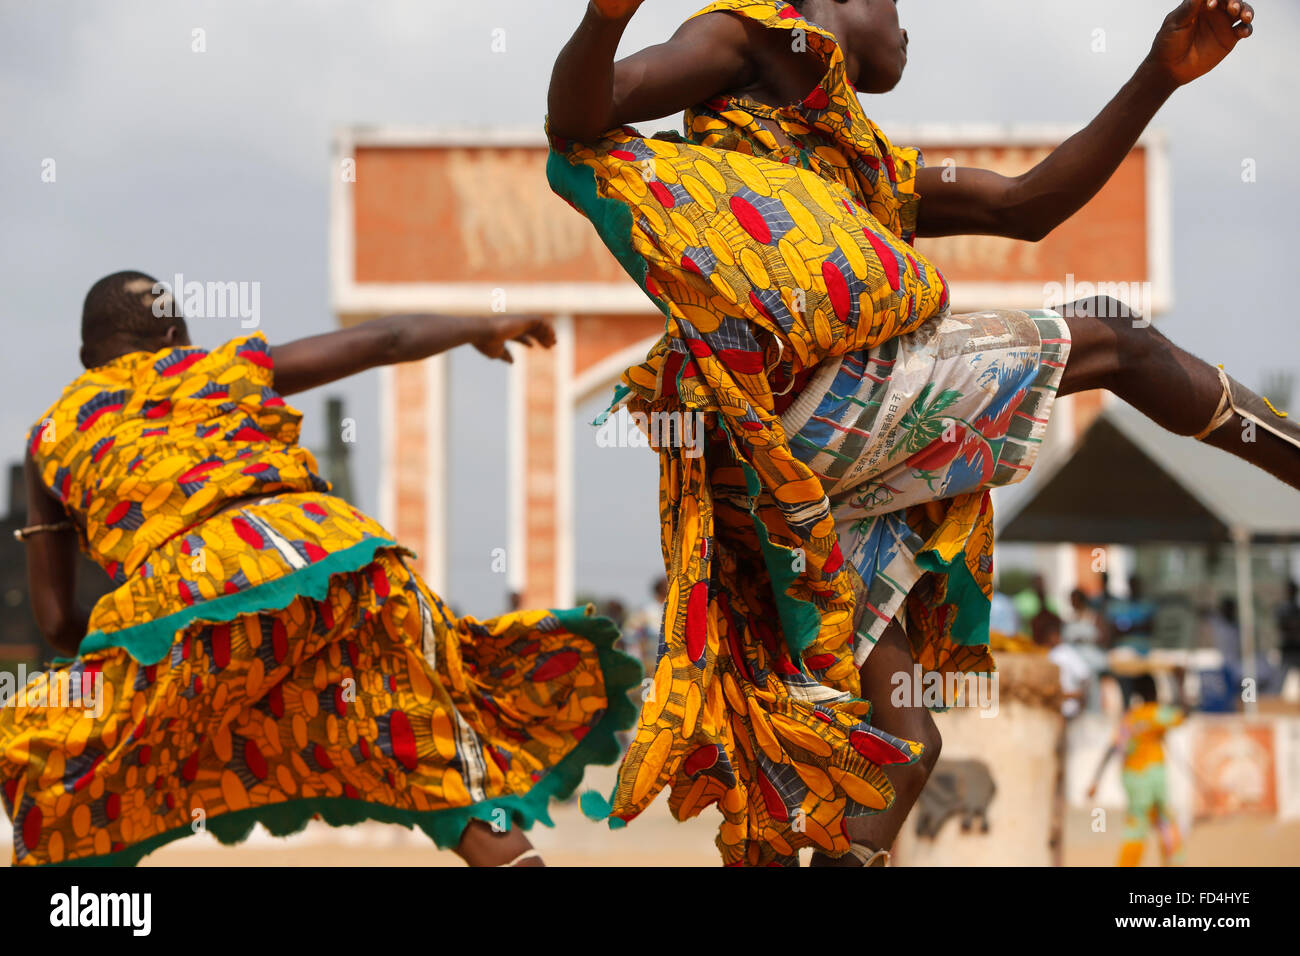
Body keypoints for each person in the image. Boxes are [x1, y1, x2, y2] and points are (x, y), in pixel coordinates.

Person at [548, 0, 1292, 866]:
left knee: (905, 746)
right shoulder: (744, 37)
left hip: (790, 480)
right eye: (896, 4)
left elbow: (1028, 204)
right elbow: (579, 116)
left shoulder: (863, 167)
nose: (906, 27)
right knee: (1116, 339)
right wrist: (604, 18)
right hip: (802, 411)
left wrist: (1158, 76)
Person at [0, 272, 640, 867]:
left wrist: (150, 650)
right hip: (342, 567)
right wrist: (481, 327)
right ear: (173, 337)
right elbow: (384, 338)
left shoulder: (52, 436)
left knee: (50, 769)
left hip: (188, 595)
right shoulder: (219, 367)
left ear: (89, 360)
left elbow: (57, 621)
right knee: (439, 767)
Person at [1087, 674, 1186, 866]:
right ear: (1155, 691)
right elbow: (1182, 714)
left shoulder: (1129, 719)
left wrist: (1095, 781)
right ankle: (1174, 862)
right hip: (1154, 778)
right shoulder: (1156, 713)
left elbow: (1113, 749)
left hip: (1132, 779)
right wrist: (1178, 681)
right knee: (1165, 822)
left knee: (1136, 825)